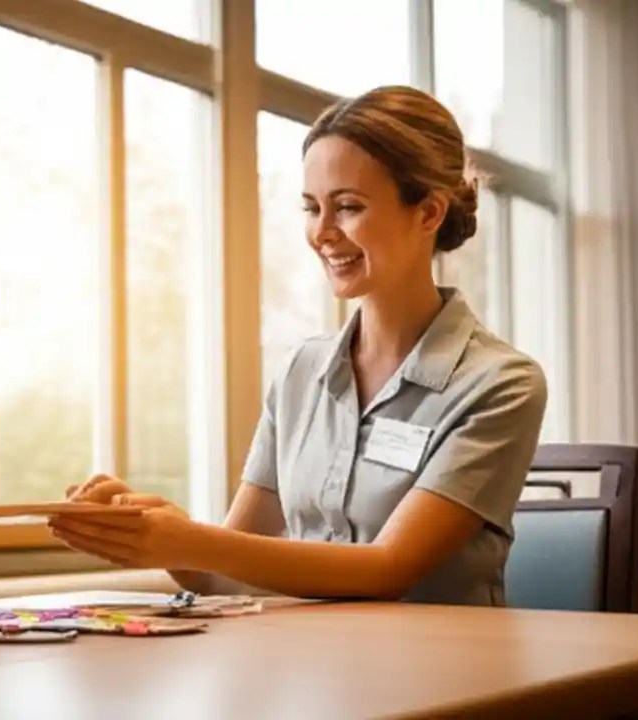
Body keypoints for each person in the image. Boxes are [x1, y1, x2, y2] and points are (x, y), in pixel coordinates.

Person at [52, 86, 548, 606]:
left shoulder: (501, 383)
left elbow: (388, 569)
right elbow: (219, 574)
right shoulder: (300, 372)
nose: (322, 233)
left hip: (453, 672)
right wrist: (144, 526)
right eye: (312, 208)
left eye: (349, 207)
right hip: (314, 667)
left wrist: (187, 538)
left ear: (428, 213)